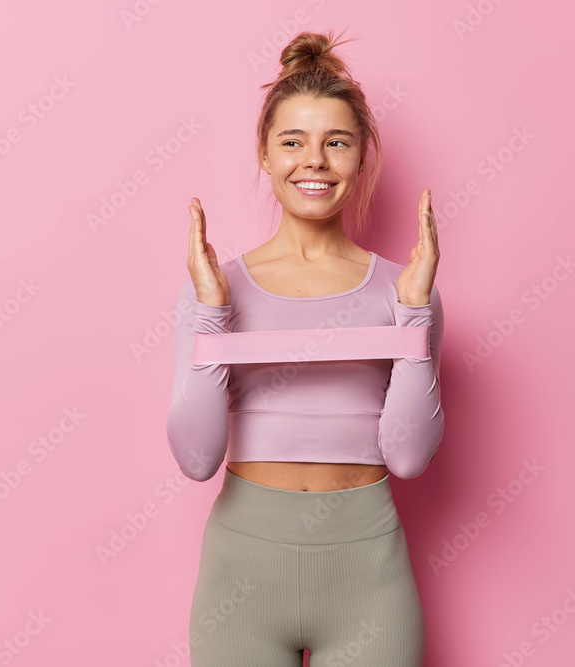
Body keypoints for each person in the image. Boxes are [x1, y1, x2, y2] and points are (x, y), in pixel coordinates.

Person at [165, 29, 444, 667]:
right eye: (292, 141)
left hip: (368, 574)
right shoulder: (216, 287)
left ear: (361, 157)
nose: (313, 160)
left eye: (336, 142)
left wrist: (414, 311)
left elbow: (408, 457)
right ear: (264, 154)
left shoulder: (403, 287)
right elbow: (196, 457)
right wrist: (212, 313)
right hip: (243, 576)